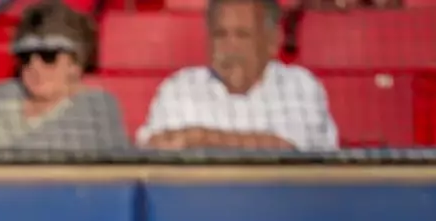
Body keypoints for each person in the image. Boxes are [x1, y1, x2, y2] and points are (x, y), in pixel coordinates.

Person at [136, 0, 336, 151]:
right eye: (220, 34)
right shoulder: (178, 89)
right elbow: (152, 151)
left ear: (273, 41)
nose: (230, 47)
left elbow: (292, 152)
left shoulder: (300, 86)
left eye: (242, 35)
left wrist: (201, 139)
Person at [0, 0, 127, 153]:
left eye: (48, 56)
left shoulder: (96, 106)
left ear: (75, 64)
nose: (35, 66)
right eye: (25, 57)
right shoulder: (1, 95)